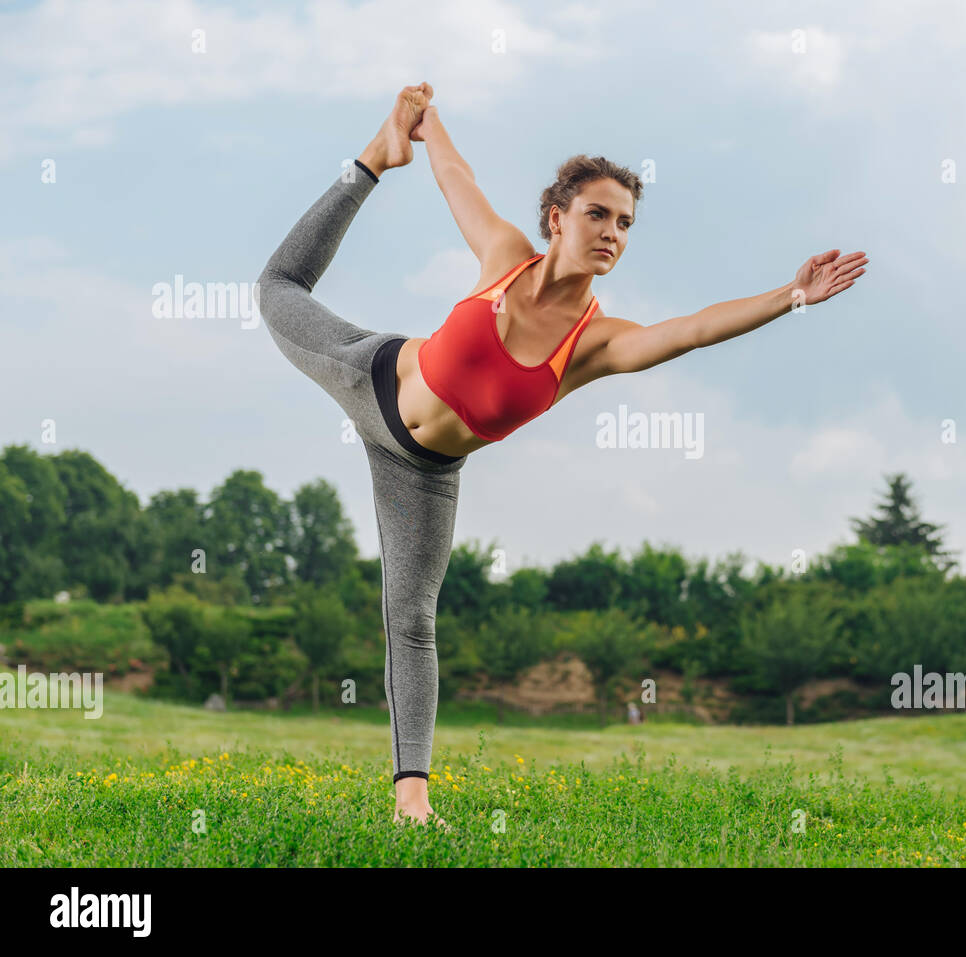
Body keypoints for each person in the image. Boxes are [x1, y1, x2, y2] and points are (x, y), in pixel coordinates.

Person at [255, 82, 867, 829]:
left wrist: (790, 296)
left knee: (412, 618)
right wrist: (420, 123)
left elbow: (695, 328)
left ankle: (411, 800)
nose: (613, 231)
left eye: (626, 223)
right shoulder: (506, 256)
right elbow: (457, 179)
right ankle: (370, 162)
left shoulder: (596, 345)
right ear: (557, 218)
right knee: (277, 286)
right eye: (598, 214)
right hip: (369, 374)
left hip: (421, 469)